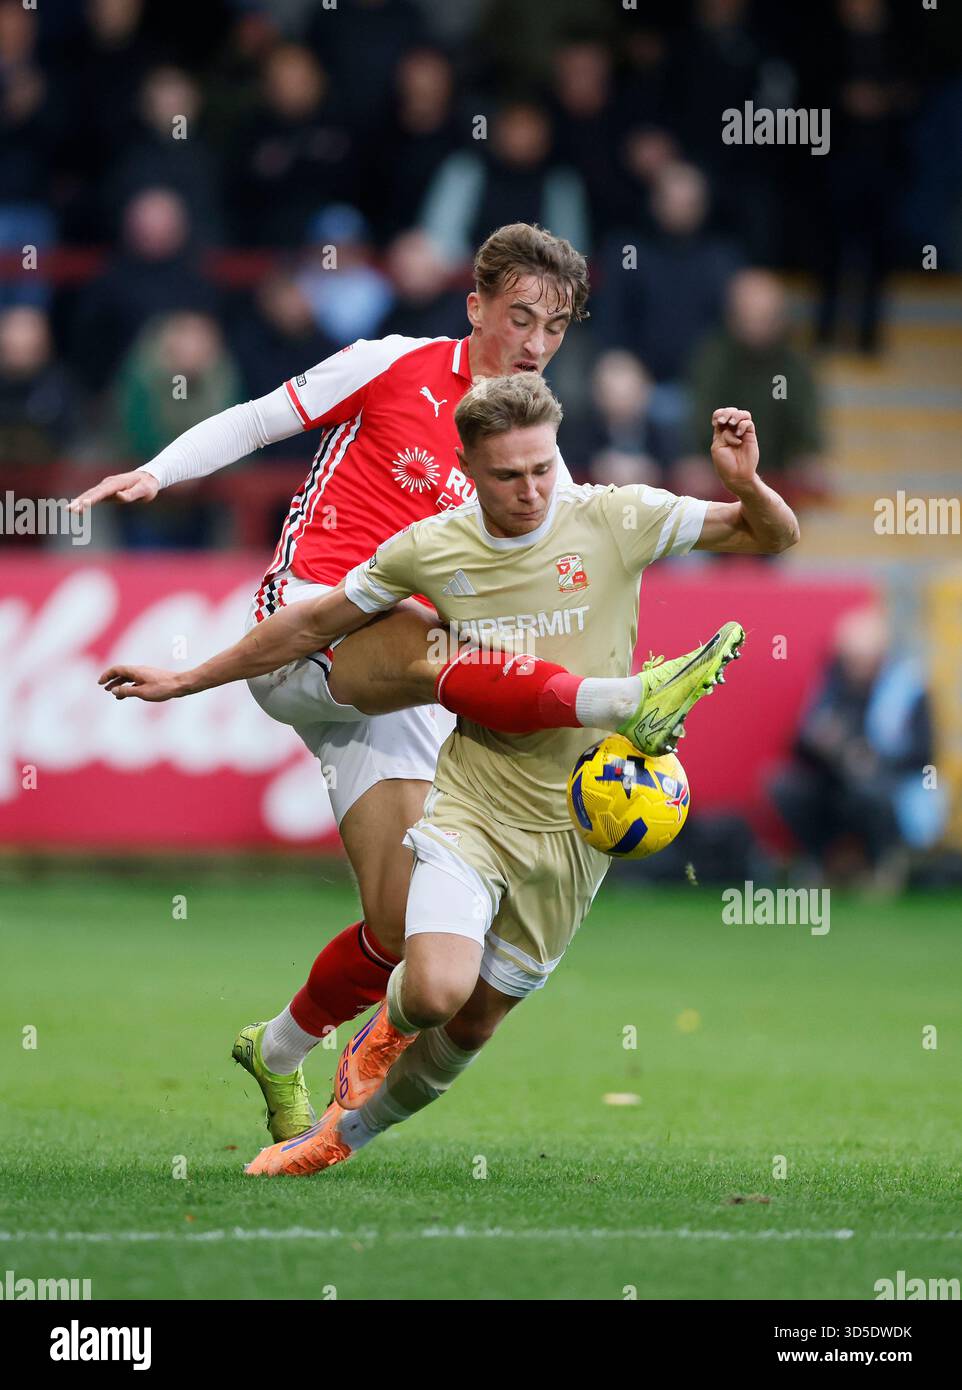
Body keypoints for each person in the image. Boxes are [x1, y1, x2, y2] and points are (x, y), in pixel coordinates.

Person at [100, 378, 799, 1176]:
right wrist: (189, 679)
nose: (531, 490)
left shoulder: (612, 516)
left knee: (471, 1028)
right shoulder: (431, 547)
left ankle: (338, 1139)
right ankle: (377, 1034)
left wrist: (747, 484)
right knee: (435, 991)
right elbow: (312, 622)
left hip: (578, 823)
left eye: (541, 468)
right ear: (466, 465)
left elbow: (770, 535)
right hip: (476, 796)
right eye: (507, 476)